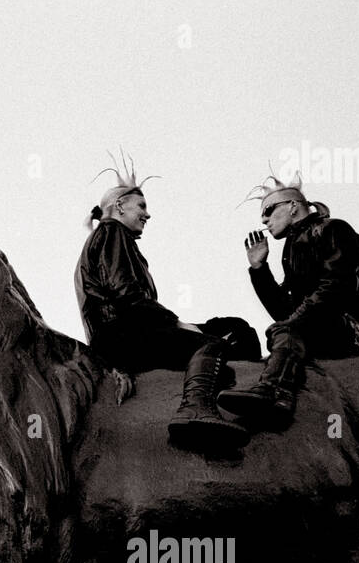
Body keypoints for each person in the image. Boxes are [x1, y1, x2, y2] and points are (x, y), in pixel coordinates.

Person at [75, 154, 252, 451]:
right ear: (120, 207)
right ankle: (195, 409)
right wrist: (176, 322)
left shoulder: (113, 238)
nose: (147, 214)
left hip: (130, 329)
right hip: (121, 335)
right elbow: (125, 294)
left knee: (236, 328)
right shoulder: (112, 232)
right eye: (141, 206)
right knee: (211, 344)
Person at [217, 172, 359, 429]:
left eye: (269, 210)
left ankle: (274, 392)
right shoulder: (291, 248)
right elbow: (284, 311)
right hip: (316, 324)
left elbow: (336, 286)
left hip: (348, 327)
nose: (264, 220)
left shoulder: (332, 229)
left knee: (287, 331)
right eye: (262, 215)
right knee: (285, 329)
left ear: (293, 206)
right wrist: (259, 269)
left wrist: (291, 324)